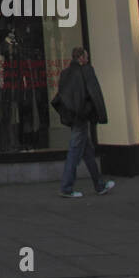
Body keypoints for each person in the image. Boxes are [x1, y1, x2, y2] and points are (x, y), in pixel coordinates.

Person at [54, 46, 115, 198]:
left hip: (73, 117)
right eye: (86, 57)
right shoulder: (85, 71)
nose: (87, 60)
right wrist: (94, 113)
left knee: (88, 152)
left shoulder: (65, 74)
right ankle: (66, 187)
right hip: (81, 118)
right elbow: (93, 94)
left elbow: (62, 96)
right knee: (75, 152)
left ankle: (99, 185)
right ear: (80, 58)